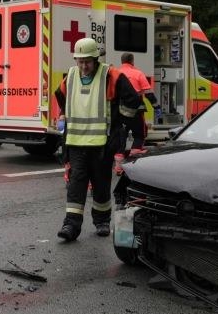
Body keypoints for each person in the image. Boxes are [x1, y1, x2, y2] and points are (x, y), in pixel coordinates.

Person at [53, 38, 141, 241]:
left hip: (102, 143)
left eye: (88, 62)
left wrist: (119, 122)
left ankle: (102, 221)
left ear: (95, 59)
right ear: (76, 60)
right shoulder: (71, 76)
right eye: (80, 61)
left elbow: (133, 101)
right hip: (76, 143)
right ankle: (70, 225)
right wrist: (65, 115)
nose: (84, 66)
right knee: (76, 184)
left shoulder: (111, 75)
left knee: (101, 185)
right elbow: (61, 95)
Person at [115, 53, 158, 168]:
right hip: (136, 112)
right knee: (140, 134)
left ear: (122, 61)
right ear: (132, 61)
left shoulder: (116, 73)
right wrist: (156, 107)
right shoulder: (138, 73)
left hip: (120, 111)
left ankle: (118, 166)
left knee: (121, 136)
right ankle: (134, 159)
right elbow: (148, 94)